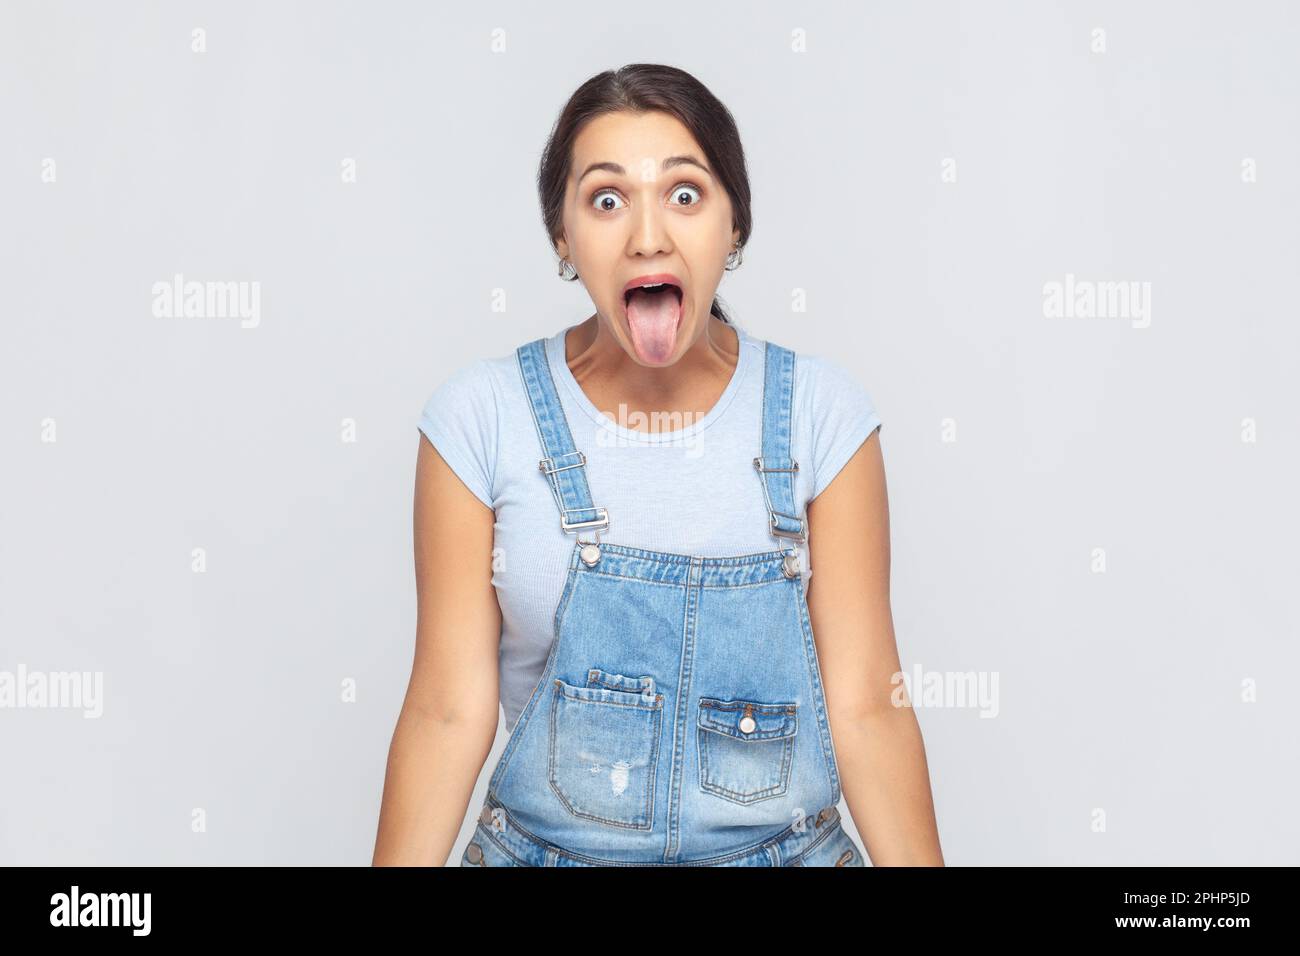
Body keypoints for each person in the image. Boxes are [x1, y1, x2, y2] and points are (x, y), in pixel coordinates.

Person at [373, 64, 944, 867]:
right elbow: (444, 712)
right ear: (563, 239)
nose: (648, 235)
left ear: (734, 226)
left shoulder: (821, 415)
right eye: (607, 200)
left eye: (685, 194)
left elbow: (867, 711)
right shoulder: (482, 418)